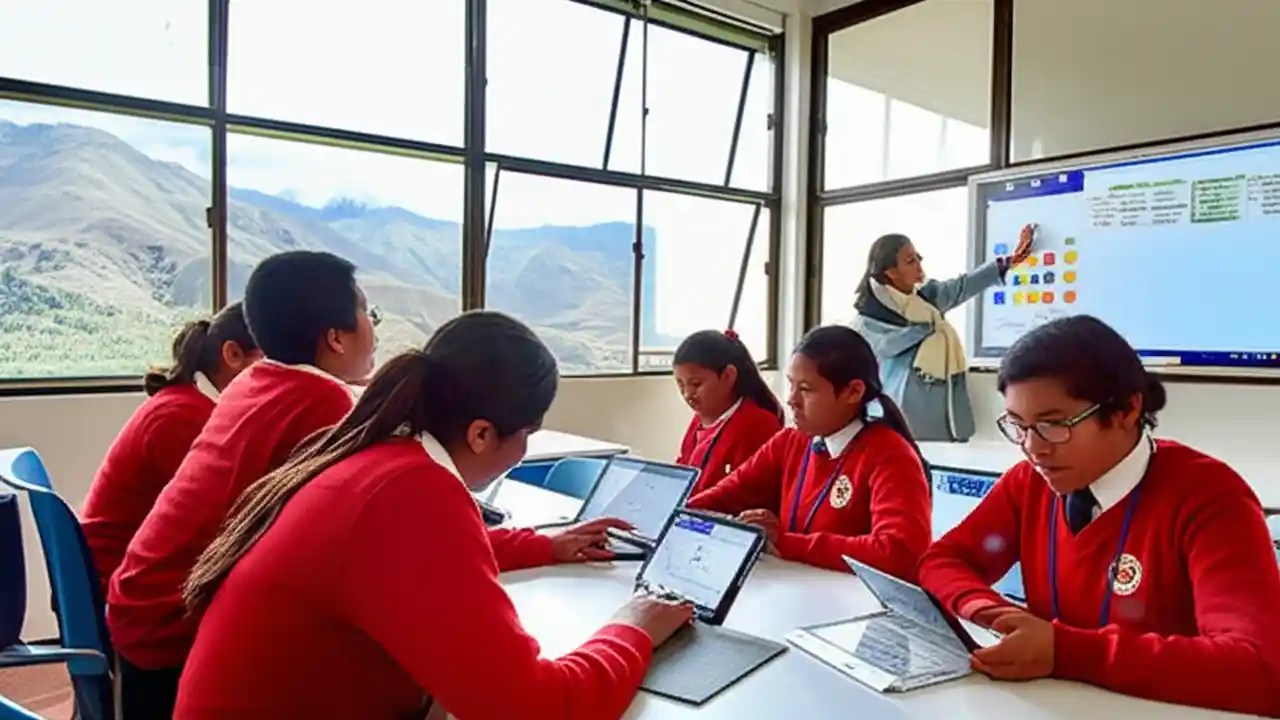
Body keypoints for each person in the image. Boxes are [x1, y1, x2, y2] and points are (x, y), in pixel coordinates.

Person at [174, 311, 693, 719]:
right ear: (482, 434)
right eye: (527, 434)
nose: (524, 447)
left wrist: (543, 544)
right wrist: (634, 628)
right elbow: (537, 708)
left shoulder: (378, 460)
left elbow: (406, 565)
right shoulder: (412, 493)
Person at [917, 315, 1280, 717]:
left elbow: (1258, 670)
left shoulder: (1209, 497)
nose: (1034, 449)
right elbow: (943, 560)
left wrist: (1064, 651)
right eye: (1019, 426)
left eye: (1055, 425)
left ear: (1126, 409)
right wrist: (997, 615)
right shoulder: (1031, 482)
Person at [107, 251, 378, 719]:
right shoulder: (325, 403)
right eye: (369, 315)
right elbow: (382, 530)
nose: (375, 328)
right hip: (175, 628)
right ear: (335, 337)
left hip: (140, 606)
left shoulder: (253, 380)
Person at [685, 325, 931, 579]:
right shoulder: (791, 442)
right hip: (796, 588)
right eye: (791, 385)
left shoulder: (890, 454)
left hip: (852, 604)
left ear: (853, 392)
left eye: (805, 389)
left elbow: (900, 553)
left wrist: (784, 541)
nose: (792, 400)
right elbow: (720, 497)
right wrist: (672, 513)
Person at [81, 303, 260, 595]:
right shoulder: (183, 419)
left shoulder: (186, 403)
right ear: (233, 355)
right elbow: (223, 520)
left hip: (114, 573)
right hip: (118, 586)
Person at [852, 225, 1034, 442]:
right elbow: (888, 347)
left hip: (938, 402)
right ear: (890, 272)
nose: (919, 265)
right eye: (910, 261)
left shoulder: (926, 298)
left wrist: (1006, 263)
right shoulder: (868, 319)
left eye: (918, 257)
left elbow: (962, 286)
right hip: (897, 413)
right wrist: (925, 331)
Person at [673, 329, 783, 495]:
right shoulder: (701, 418)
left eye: (696, 384)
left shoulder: (757, 425)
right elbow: (682, 472)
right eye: (681, 385)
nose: (688, 394)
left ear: (728, 376)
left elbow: (749, 494)